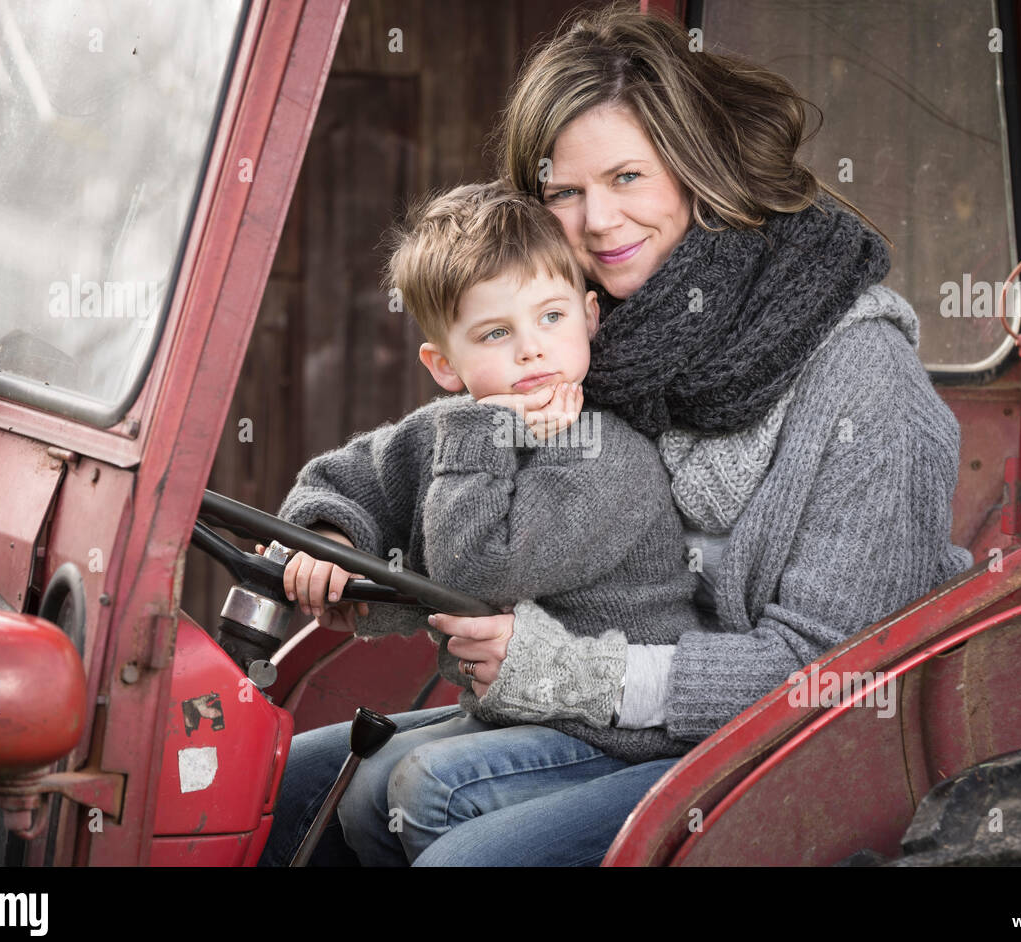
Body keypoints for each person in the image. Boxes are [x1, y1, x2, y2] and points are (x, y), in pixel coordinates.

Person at [262, 2, 975, 868]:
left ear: (693, 167)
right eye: (563, 190)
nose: (597, 222)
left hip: (772, 746)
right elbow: (425, 449)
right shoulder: (591, 332)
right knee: (285, 784)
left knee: (457, 850)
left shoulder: (865, 385)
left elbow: (831, 673)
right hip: (587, 719)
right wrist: (337, 531)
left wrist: (571, 672)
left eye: (628, 178)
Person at [260, 178, 705, 866]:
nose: (531, 350)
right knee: (339, 783)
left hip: (616, 731)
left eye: (551, 318)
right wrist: (330, 537)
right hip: (511, 713)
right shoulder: (457, 429)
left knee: (423, 788)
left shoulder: (605, 454)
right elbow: (347, 480)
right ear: (444, 364)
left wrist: (479, 430)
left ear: (591, 318)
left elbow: (479, 567)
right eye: (497, 333)